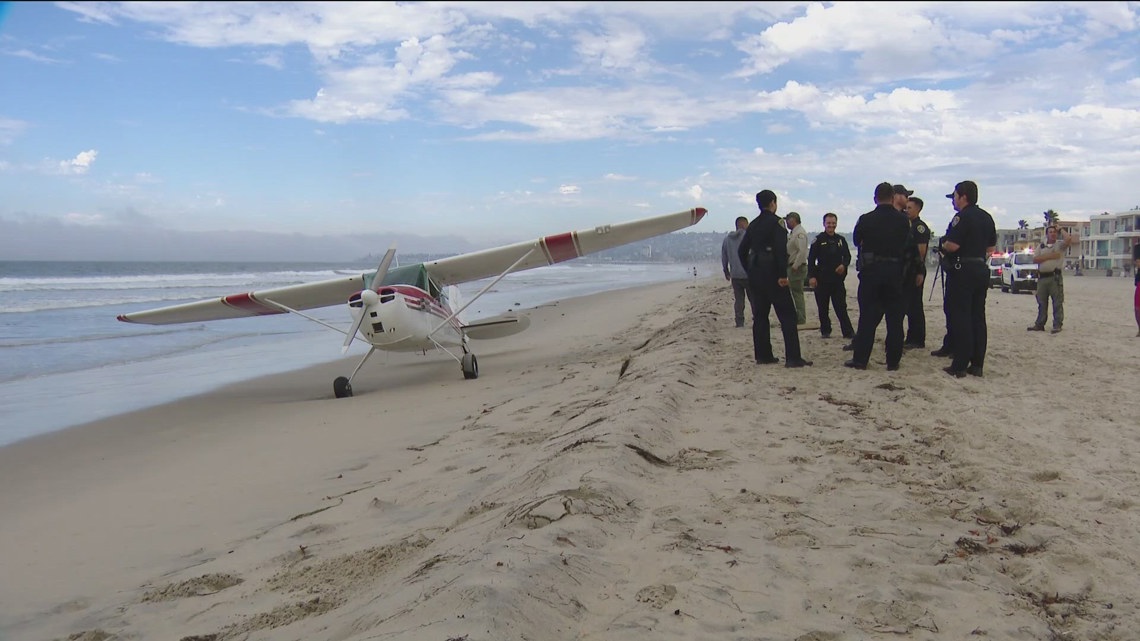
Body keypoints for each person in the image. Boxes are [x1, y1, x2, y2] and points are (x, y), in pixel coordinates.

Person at [738, 190, 812, 368]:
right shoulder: (777, 223)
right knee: (787, 315)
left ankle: (763, 356)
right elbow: (780, 250)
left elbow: (741, 251)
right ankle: (793, 358)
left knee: (760, 316)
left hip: (756, 274)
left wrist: (750, 270)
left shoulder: (753, 225)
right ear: (773, 203)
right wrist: (782, 275)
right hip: (773, 274)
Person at [843, 182, 911, 371]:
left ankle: (861, 360)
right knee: (895, 320)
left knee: (867, 319)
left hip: (872, 271)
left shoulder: (865, 219)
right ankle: (893, 361)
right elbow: (907, 244)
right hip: (895, 271)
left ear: (875, 199)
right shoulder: (903, 220)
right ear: (892, 198)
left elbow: (857, 240)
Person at [939, 180, 997, 378]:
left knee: (961, 316)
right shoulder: (987, 218)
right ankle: (977, 363)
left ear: (963, 196)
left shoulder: (961, 217)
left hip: (963, 270)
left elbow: (953, 245)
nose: (953, 201)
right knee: (977, 316)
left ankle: (960, 364)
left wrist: (944, 245)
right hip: (980, 268)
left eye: (954, 196)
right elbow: (991, 249)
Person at [807, 212, 855, 339]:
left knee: (841, 307)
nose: (831, 226)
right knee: (823, 308)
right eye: (829, 223)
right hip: (822, 278)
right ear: (824, 224)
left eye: (833, 223)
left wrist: (844, 265)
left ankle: (848, 331)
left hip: (837, 280)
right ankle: (825, 331)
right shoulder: (818, 240)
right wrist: (811, 277)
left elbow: (848, 256)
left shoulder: (841, 239)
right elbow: (811, 260)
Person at [1028, 225, 1076, 334]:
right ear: (1047, 234)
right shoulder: (1041, 246)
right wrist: (1052, 256)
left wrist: (1061, 229)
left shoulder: (1060, 245)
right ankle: (1040, 324)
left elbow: (1068, 239)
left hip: (1055, 277)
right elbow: (1035, 259)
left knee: (1057, 302)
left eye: (1054, 232)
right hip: (1042, 278)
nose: (1053, 234)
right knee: (1041, 302)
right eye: (1050, 232)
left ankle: (1057, 324)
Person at [902, 195, 931, 348]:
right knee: (908, 305)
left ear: (918, 209)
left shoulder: (919, 227)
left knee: (915, 305)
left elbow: (921, 251)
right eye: (906, 207)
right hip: (908, 270)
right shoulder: (907, 224)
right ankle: (911, 337)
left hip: (915, 270)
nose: (906, 210)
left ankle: (917, 339)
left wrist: (919, 271)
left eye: (910, 208)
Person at [721, 216, 752, 328]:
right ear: (744, 224)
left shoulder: (727, 239)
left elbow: (724, 257)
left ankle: (739, 322)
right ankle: (757, 318)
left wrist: (726, 271)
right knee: (753, 298)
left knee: (739, 300)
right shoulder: (749, 237)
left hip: (735, 275)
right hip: (748, 274)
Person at [785, 211, 809, 325]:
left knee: (797, 293)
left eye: (787, 220)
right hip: (792, 266)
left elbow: (802, 251)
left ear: (792, 220)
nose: (786, 223)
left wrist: (795, 265)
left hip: (797, 267)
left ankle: (800, 318)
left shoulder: (800, 233)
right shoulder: (793, 233)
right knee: (794, 293)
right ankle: (798, 316)